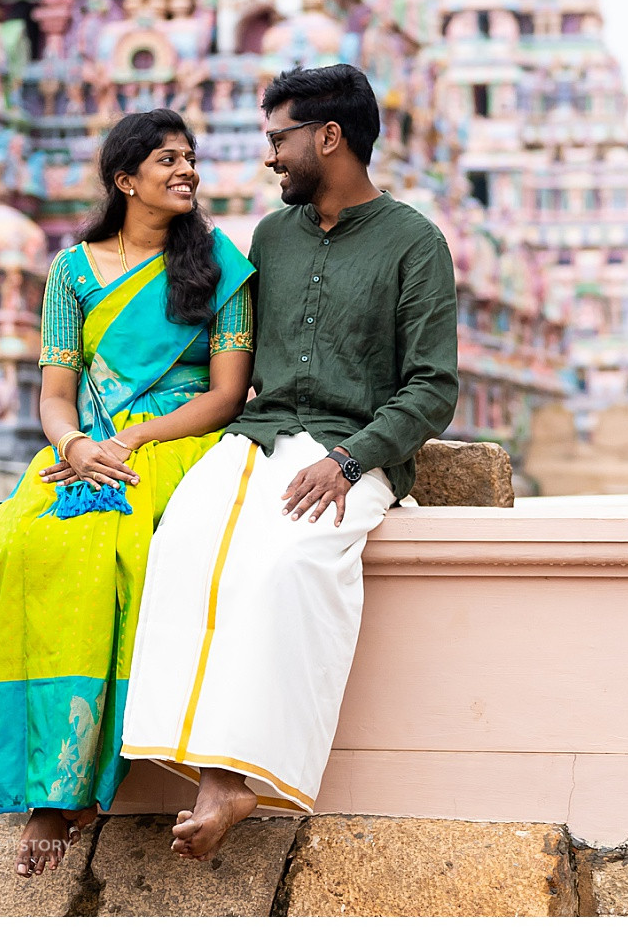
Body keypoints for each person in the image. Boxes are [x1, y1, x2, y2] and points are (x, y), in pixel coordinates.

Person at [121, 64, 459, 858]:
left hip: (352, 450)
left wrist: (351, 460)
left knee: (292, 561)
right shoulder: (271, 237)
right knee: (183, 542)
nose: (269, 155)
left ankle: (238, 779)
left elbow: (433, 385)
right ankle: (193, 754)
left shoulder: (416, 242)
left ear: (329, 137)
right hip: (257, 437)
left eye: (279, 138)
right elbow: (213, 345)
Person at [0, 109, 255, 879]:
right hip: (85, 443)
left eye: (191, 159)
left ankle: (73, 788)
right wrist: (73, 444)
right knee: (22, 537)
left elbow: (228, 394)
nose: (186, 171)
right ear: (125, 178)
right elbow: (56, 393)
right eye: (168, 158)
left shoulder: (221, 264)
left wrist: (132, 440)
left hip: (175, 440)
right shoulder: (72, 271)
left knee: (114, 539)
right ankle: (49, 778)